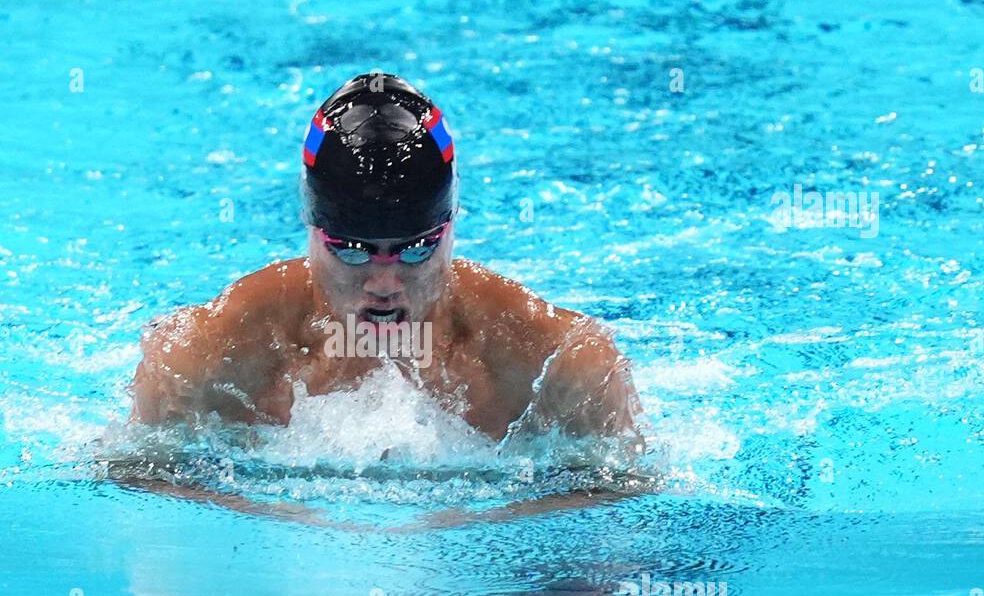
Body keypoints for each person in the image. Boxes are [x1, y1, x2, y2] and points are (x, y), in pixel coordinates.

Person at [129, 72, 641, 444]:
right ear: (313, 232)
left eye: (416, 250)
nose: (385, 284)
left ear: (451, 229)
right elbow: (143, 494)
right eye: (353, 254)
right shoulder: (204, 358)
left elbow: (624, 510)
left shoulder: (558, 364)